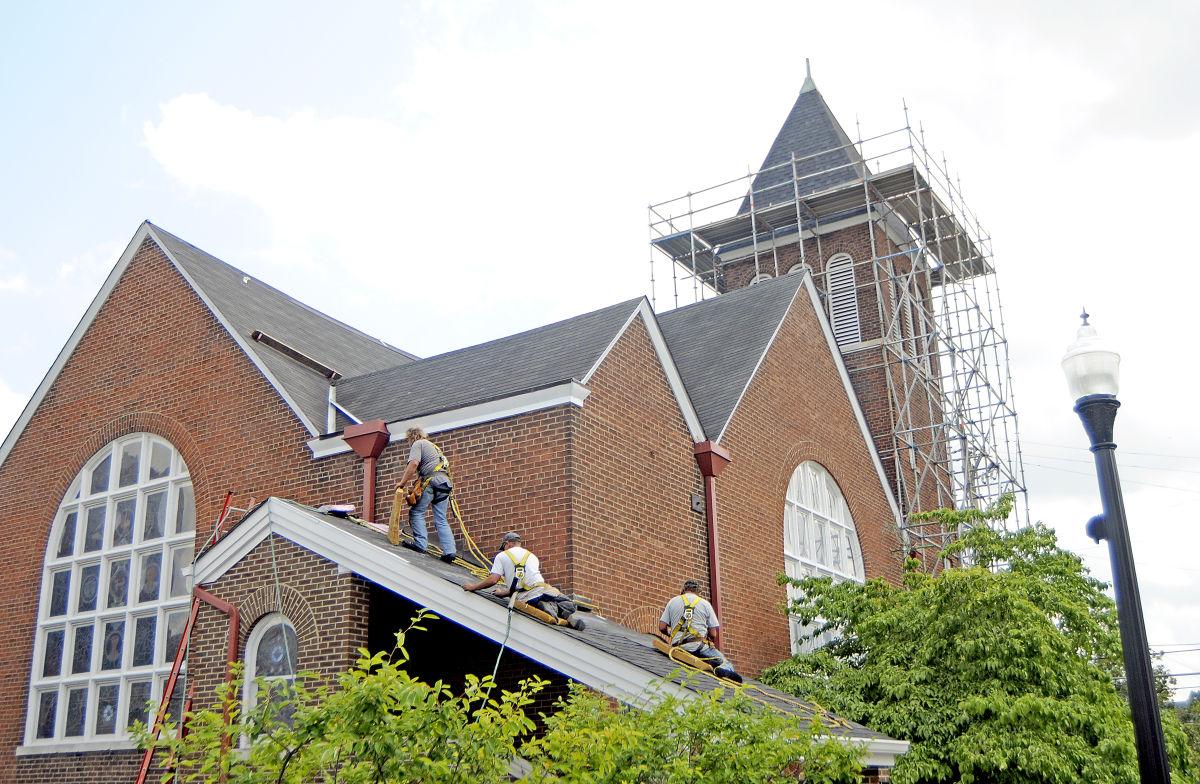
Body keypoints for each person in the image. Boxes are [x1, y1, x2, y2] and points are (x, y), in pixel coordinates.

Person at [462, 532, 586, 631]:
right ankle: (559, 609)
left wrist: (473, 587)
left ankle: (549, 608)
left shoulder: (502, 556)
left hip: (525, 598)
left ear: (507, 544)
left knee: (537, 602)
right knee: (569, 604)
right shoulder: (532, 556)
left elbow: (493, 579)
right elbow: (526, 582)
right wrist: (504, 593)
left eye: (504, 547)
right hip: (544, 591)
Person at [658, 579, 742, 682]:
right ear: (698, 592)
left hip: (678, 646)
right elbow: (713, 634)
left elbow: (662, 627)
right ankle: (721, 670)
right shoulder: (705, 604)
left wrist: (671, 635)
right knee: (725, 663)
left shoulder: (673, 601)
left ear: (683, 589)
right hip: (699, 647)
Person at [397, 428, 457, 563]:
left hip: (432, 481)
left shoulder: (418, 444)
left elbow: (413, 464)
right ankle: (450, 551)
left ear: (411, 437)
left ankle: (420, 545)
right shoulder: (434, 447)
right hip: (445, 484)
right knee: (441, 518)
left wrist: (402, 483)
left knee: (416, 512)